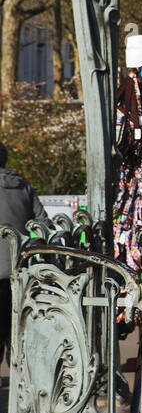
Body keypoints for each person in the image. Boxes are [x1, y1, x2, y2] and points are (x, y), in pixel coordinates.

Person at [0, 142, 48, 370]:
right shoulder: (23, 186)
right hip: (20, 267)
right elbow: (43, 223)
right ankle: (18, 371)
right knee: (17, 323)